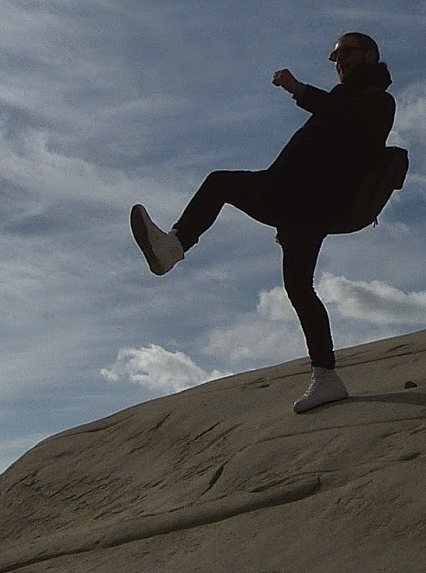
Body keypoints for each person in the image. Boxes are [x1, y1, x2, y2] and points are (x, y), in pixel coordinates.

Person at [129, 32, 396, 414]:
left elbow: (344, 122)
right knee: (299, 289)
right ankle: (327, 377)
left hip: (304, 199)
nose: (339, 61)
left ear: (370, 55)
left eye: (346, 53)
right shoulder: (345, 101)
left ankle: (175, 246)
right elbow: (334, 117)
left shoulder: (376, 101)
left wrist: (298, 89)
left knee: (221, 183)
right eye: (335, 57)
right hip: (297, 204)